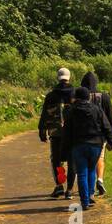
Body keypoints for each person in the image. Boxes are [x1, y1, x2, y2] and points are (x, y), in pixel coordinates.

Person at [62, 86, 112, 211]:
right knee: (91, 170)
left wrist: (64, 150)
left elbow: (66, 132)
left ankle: (84, 201)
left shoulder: (71, 111)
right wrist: (111, 141)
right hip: (96, 145)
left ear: (76, 97)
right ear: (88, 97)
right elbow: (106, 126)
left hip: (78, 145)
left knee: (81, 172)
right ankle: (91, 195)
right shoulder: (96, 109)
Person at [38, 67, 75, 199]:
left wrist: (42, 130)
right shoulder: (75, 94)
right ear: (69, 77)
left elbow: (44, 114)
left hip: (55, 133)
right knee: (72, 161)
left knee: (57, 160)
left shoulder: (51, 95)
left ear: (58, 77)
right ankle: (70, 190)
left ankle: (59, 186)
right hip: (72, 133)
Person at [79, 71, 112, 196]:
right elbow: (110, 118)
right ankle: (99, 179)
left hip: (84, 135)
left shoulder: (81, 96)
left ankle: (88, 189)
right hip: (101, 134)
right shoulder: (104, 96)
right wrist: (111, 138)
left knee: (86, 162)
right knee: (100, 158)